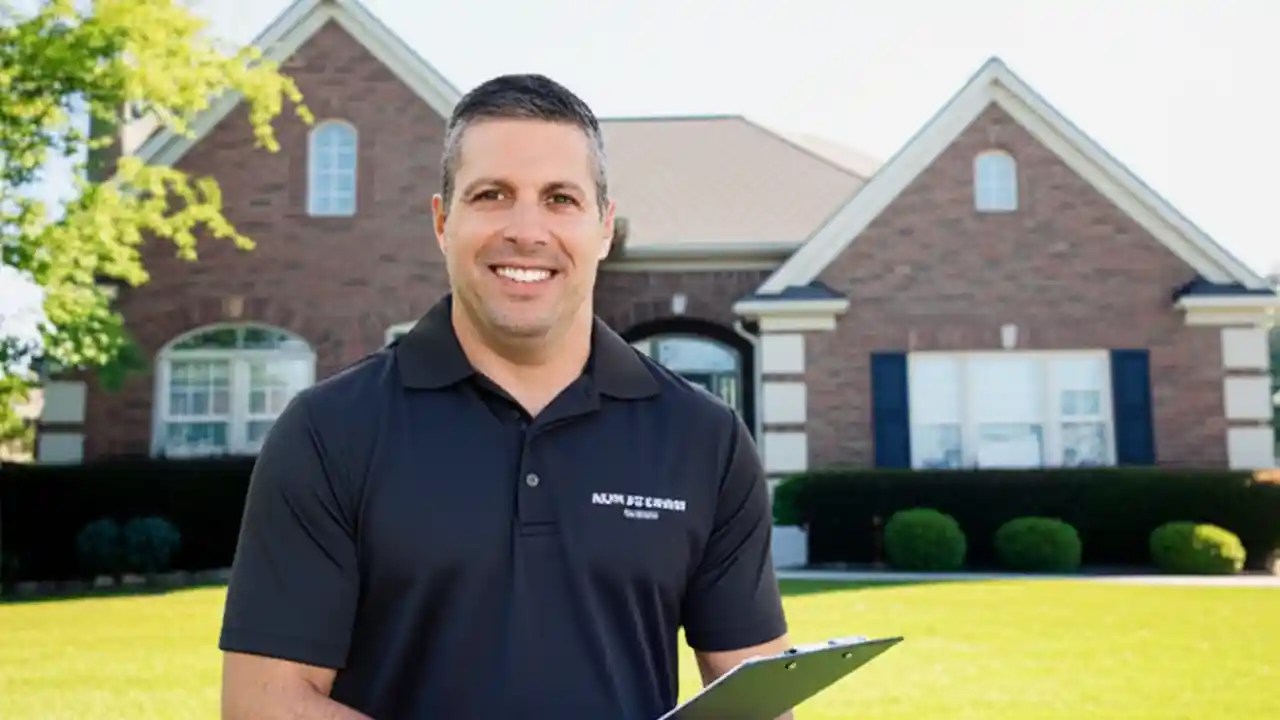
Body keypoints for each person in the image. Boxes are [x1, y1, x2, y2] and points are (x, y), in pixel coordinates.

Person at [219, 73, 793, 719]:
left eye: (560, 199)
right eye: (492, 195)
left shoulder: (704, 439)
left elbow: (758, 700)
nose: (527, 230)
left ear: (603, 227)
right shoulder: (329, 432)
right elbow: (263, 704)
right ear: (443, 221)